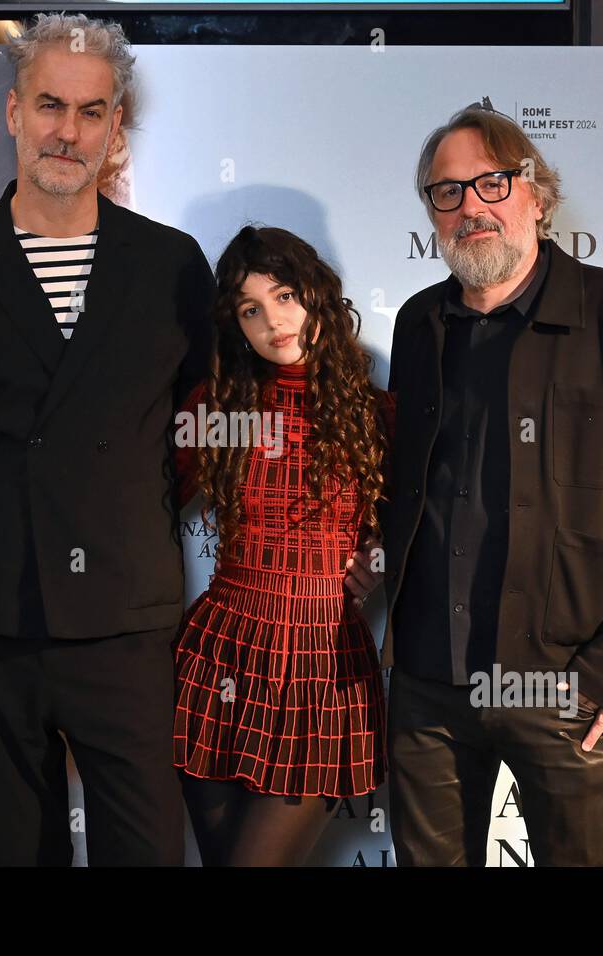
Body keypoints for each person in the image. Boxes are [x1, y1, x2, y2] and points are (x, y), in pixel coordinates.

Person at [0, 13, 215, 865]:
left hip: (128, 632)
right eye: (51, 105)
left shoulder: (172, 267)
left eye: (92, 111)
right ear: (13, 113)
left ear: (115, 125)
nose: (69, 131)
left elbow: (203, 434)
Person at [354, 99, 603, 866]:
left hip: (560, 684)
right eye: (448, 192)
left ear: (536, 197)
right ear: (432, 213)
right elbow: (408, 483)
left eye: (491, 184)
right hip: (426, 681)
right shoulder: (420, 325)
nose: (470, 207)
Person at [171, 226, 394, 866]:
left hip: (323, 668)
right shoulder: (216, 408)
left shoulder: (377, 414)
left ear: (317, 295)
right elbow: (139, 504)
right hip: (220, 658)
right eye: (251, 309)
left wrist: (382, 554)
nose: (275, 321)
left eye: (286, 296)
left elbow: (431, 521)